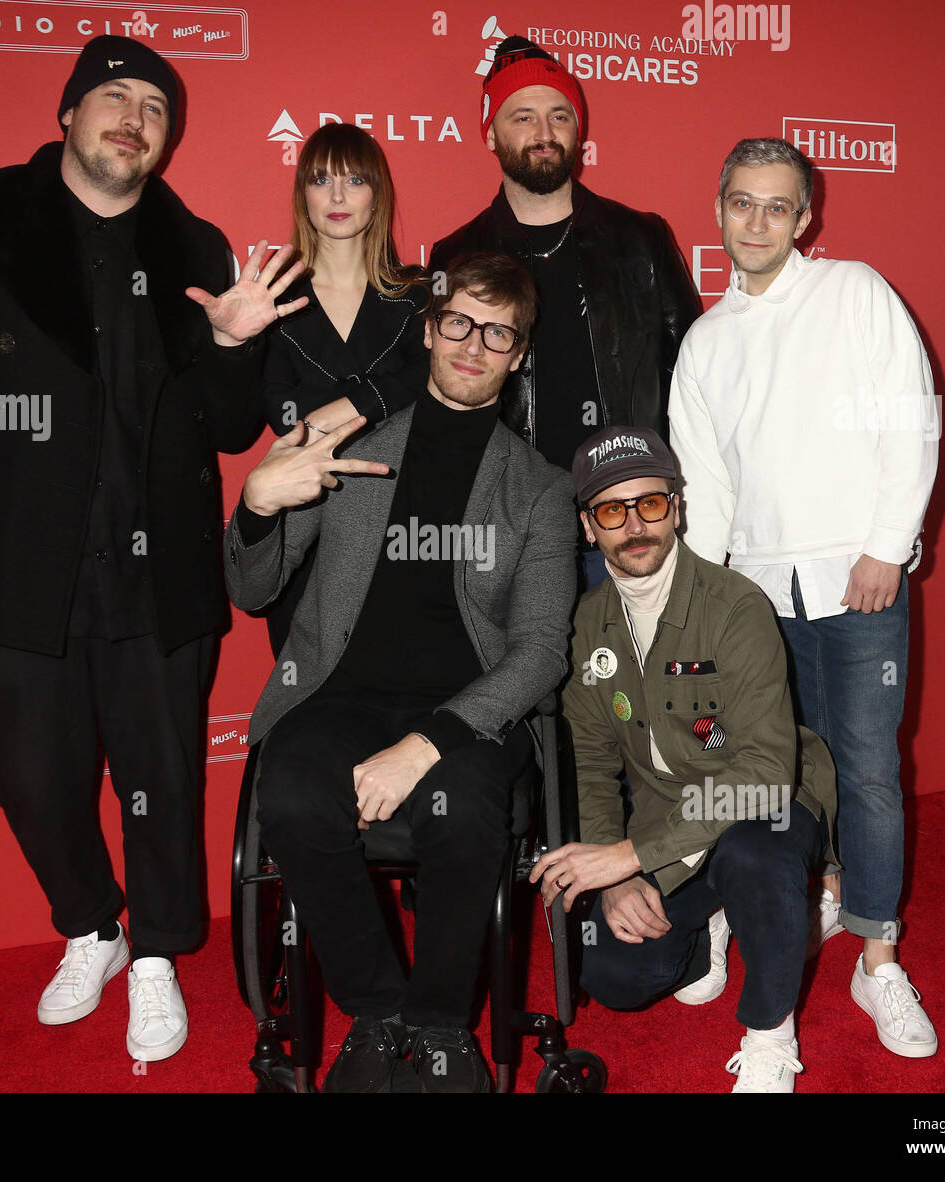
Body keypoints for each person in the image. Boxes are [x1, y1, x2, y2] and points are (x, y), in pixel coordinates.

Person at [0, 35, 305, 1063]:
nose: (133, 116)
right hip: (16, 566)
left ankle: (153, 959)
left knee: (162, 775)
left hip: (156, 565)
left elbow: (229, 430)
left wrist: (235, 346)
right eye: (113, 97)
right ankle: (92, 926)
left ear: (168, 141)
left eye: (155, 107)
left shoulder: (197, 249)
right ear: (66, 115)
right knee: (25, 769)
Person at [226, 252, 577, 1093]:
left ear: (518, 354)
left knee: (463, 815)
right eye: (458, 323)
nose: (473, 345)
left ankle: (441, 1027)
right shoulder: (346, 447)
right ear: (428, 329)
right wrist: (259, 502)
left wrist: (427, 744)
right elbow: (253, 588)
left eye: (498, 333)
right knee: (295, 792)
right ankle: (378, 1014)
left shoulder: (538, 489)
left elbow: (540, 652)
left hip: (467, 716)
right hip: (339, 696)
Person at [668, 137, 940, 1058]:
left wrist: (885, 547)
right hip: (755, 595)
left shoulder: (855, 291)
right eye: (742, 202)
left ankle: (879, 959)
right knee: (777, 773)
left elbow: (911, 417)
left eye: (777, 206)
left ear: (805, 217)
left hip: (857, 579)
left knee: (865, 770)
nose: (757, 221)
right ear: (719, 208)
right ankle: (816, 900)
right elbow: (703, 489)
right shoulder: (704, 343)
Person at [532, 426, 838, 1092]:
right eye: (612, 510)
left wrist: (632, 856)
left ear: (678, 508)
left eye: (650, 503)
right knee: (615, 977)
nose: (634, 525)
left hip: (770, 804)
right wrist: (615, 875)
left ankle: (770, 1034)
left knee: (754, 855)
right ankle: (714, 923)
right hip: (671, 819)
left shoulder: (736, 606)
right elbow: (590, 763)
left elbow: (761, 774)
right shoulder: (587, 625)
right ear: (589, 527)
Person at [429, 36, 701, 482]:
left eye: (559, 116)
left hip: (624, 507)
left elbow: (693, 371)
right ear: (491, 134)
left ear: (578, 130)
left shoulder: (642, 239)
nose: (544, 134)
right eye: (524, 117)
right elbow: (439, 392)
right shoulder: (455, 255)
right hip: (510, 512)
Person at [259, 122, 430, 653]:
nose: (336, 196)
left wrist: (345, 406)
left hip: (405, 526)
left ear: (377, 195)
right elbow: (278, 411)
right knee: (304, 712)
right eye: (320, 180)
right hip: (304, 531)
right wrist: (374, 401)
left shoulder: (417, 293)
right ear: (301, 195)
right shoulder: (272, 299)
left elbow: (434, 389)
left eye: (354, 180)